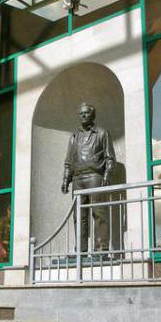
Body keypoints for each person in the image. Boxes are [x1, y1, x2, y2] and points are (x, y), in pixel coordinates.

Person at [61, 103, 115, 252]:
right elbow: (68, 161)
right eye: (81, 113)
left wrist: (107, 175)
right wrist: (66, 180)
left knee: (99, 212)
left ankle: (101, 249)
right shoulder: (74, 136)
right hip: (78, 179)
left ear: (93, 115)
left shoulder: (102, 133)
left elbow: (110, 158)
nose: (83, 115)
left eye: (86, 113)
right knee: (79, 216)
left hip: (94, 176)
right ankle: (81, 250)